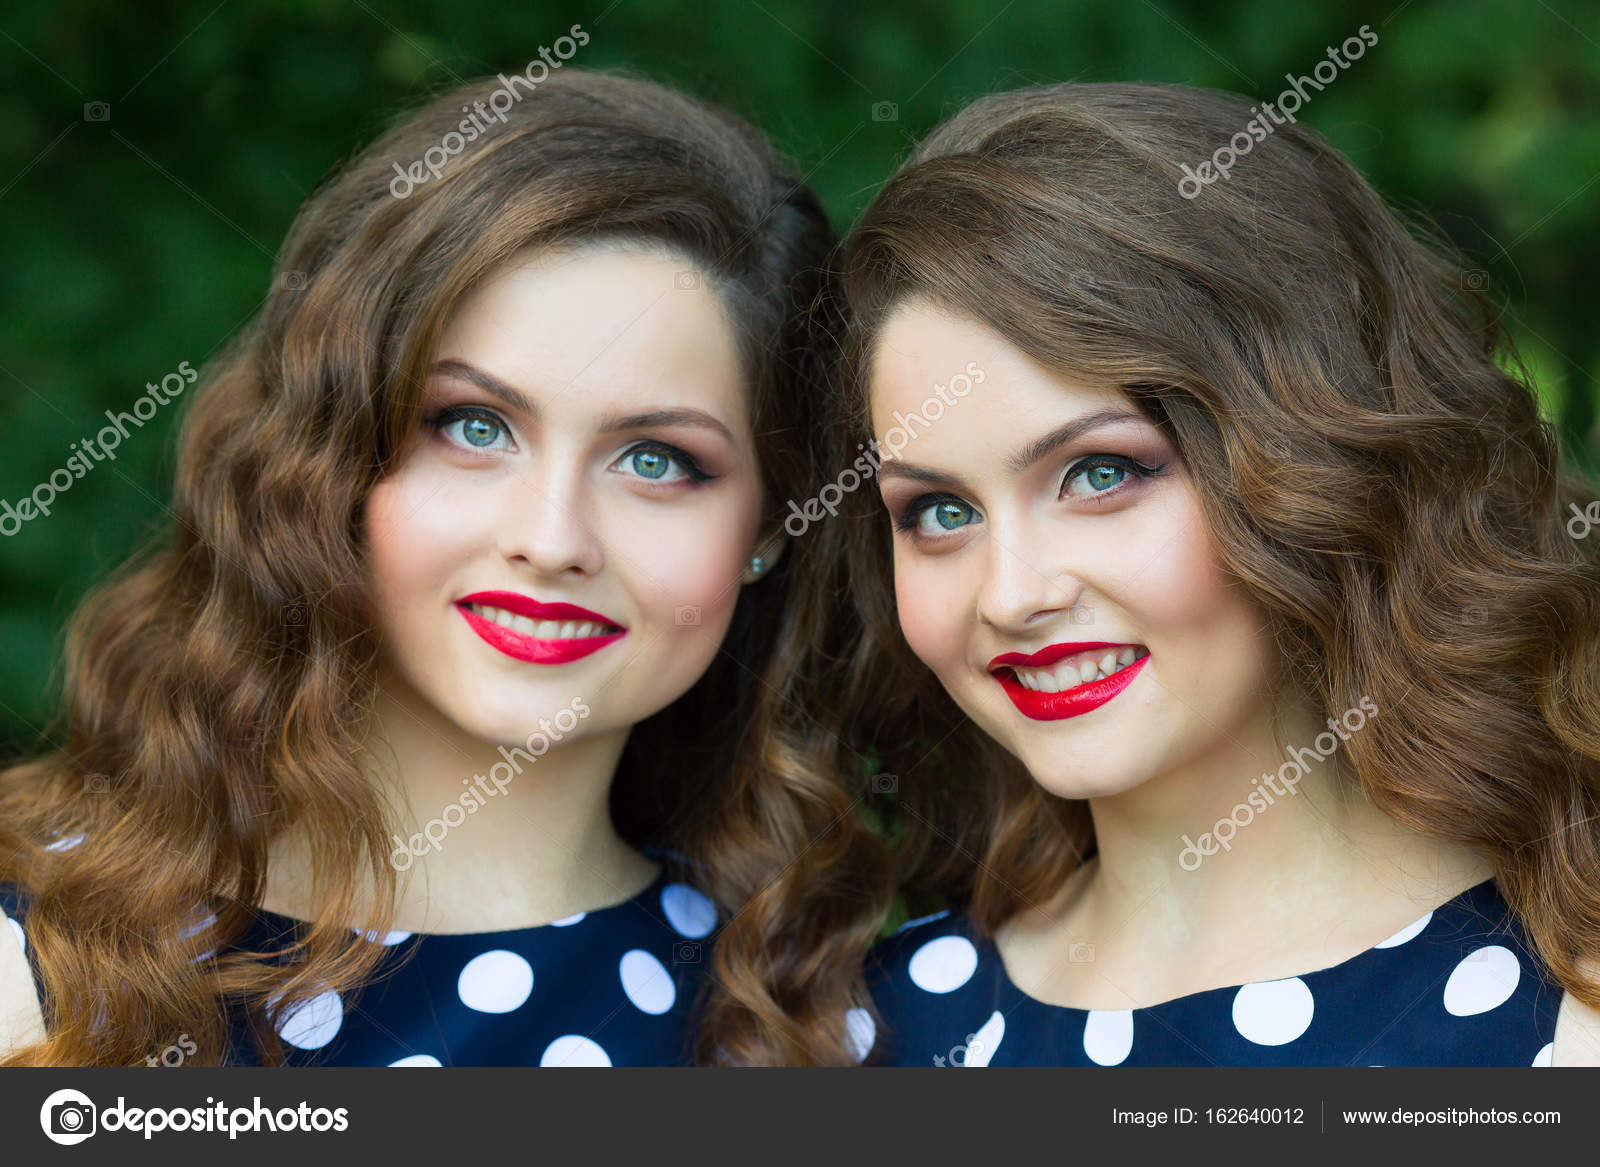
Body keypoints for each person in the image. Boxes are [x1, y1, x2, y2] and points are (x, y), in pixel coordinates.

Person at [0, 67, 885, 1067]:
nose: (552, 540)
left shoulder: (816, 1042)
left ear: (772, 520)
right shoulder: (35, 961)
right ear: (330, 456)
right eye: (472, 426)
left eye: (656, 461)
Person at [833, 82, 1600, 1065]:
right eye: (939, 514)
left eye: (1100, 475)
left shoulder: (1567, 1016)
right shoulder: (862, 1036)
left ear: (1313, 464)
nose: (1011, 594)